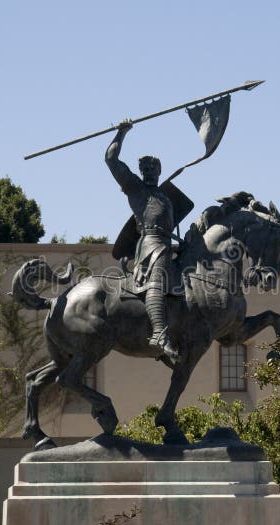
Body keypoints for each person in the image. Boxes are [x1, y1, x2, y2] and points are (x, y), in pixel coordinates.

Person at [106, 119, 180, 364]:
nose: (149, 172)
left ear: (159, 171)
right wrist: (121, 133)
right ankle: (158, 333)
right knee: (156, 282)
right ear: (141, 173)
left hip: (167, 244)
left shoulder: (163, 196)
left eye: (153, 169)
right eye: (145, 169)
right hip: (151, 246)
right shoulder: (135, 189)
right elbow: (111, 160)